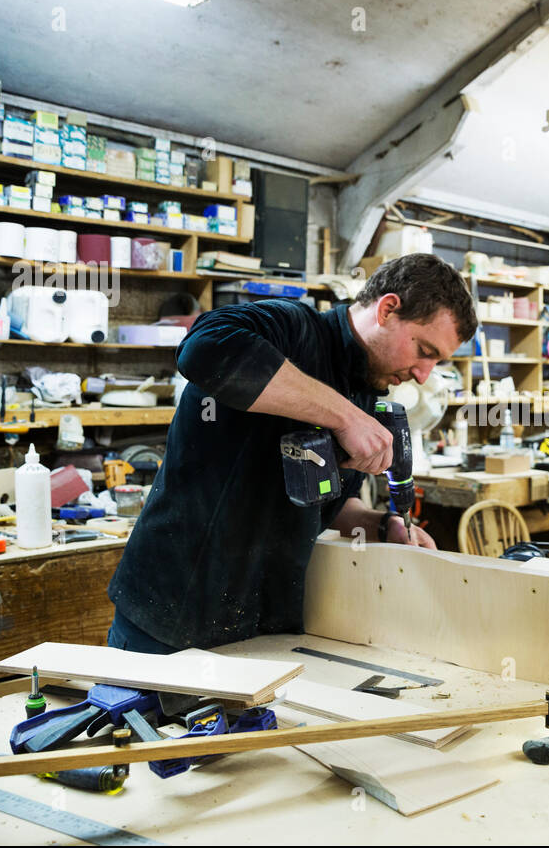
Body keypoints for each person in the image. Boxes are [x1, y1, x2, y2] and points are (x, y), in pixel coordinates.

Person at [105, 254, 478, 654]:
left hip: (265, 626)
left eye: (435, 361)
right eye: (424, 350)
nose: (424, 374)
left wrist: (382, 527)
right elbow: (203, 346)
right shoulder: (292, 328)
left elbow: (321, 503)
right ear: (387, 310)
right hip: (171, 616)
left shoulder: (367, 389)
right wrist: (344, 417)